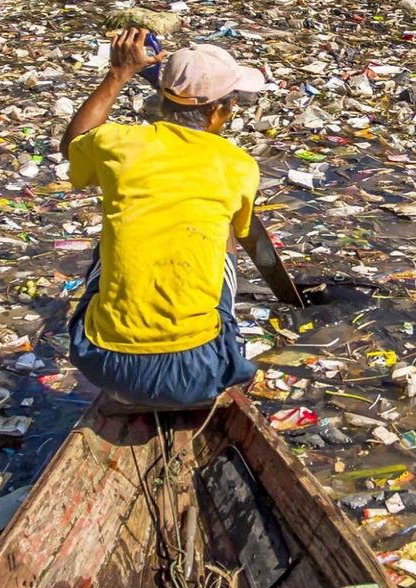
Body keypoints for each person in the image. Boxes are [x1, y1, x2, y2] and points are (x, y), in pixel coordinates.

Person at [59, 28, 267, 409]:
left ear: (162, 97)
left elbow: (72, 145)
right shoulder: (238, 166)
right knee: (222, 239)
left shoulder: (116, 143)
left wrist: (118, 74)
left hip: (101, 363)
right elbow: (236, 232)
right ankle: (222, 350)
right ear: (223, 109)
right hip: (198, 371)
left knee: (110, 247)